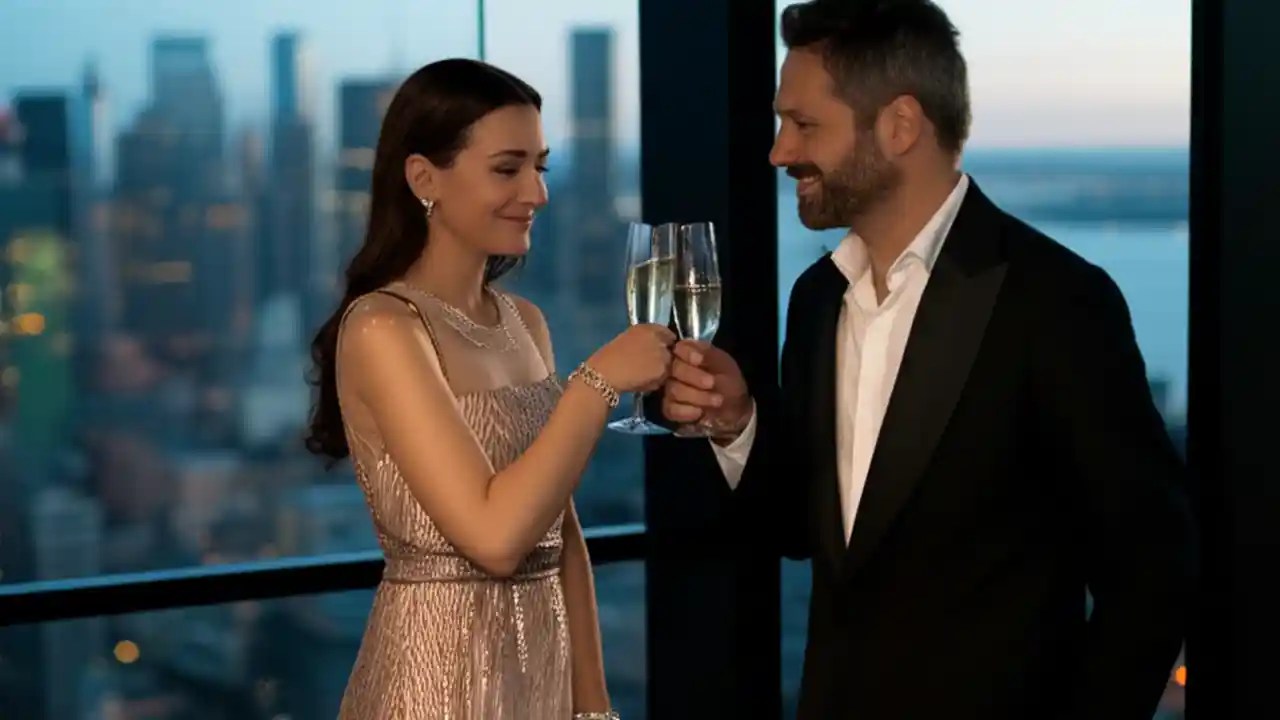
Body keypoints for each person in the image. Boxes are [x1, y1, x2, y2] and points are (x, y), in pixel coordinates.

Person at [661, 1, 1195, 717]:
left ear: (901, 126)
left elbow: (1153, 572)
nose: (779, 151)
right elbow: (806, 530)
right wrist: (739, 425)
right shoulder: (817, 300)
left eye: (804, 124)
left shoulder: (1056, 300)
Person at [306, 58, 669, 720]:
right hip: (434, 687)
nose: (537, 192)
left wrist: (594, 706)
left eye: (541, 167)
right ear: (423, 178)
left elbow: (561, 535)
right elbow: (496, 539)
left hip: (544, 683)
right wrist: (598, 383)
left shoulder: (525, 321)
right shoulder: (384, 327)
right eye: (508, 168)